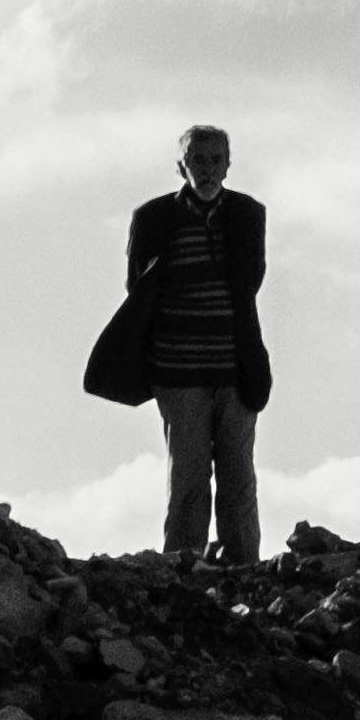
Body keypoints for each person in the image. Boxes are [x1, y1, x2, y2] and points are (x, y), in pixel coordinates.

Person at [126, 120, 268, 569]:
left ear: (228, 165)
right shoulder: (153, 218)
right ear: (180, 165)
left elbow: (252, 282)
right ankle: (184, 573)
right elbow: (138, 289)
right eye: (197, 160)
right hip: (177, 370)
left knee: (238, 479)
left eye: (215, 160)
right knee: (187, 481)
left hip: (234, 368)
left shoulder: (247, 214)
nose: (206, 169)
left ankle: (244, 573)